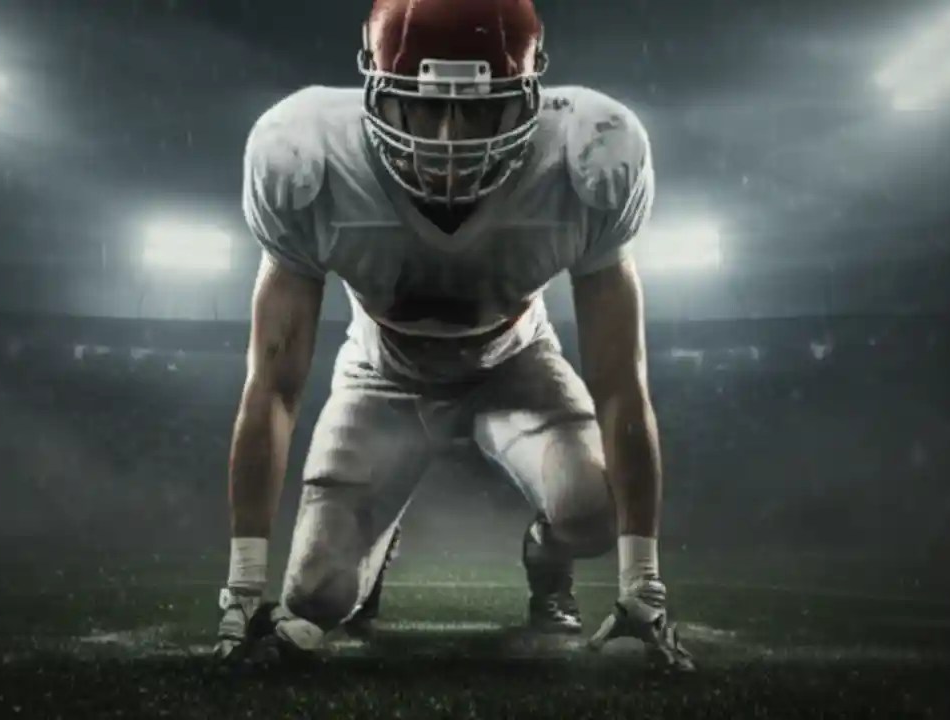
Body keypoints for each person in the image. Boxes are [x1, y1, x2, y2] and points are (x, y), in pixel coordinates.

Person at [217, 0, 692, 670]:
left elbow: (621, 384)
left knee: (594, 509)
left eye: (477, 107)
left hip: (516, 365)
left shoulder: (591, 150)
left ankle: (547, 566)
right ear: (375, 91)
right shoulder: (305, 154)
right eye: (424, 104)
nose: (449, 137)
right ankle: (370, 556)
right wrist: (243, 587)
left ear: (530, 95)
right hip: (382, 378)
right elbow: (271, 387)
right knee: (315, 597)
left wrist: (643, 586)